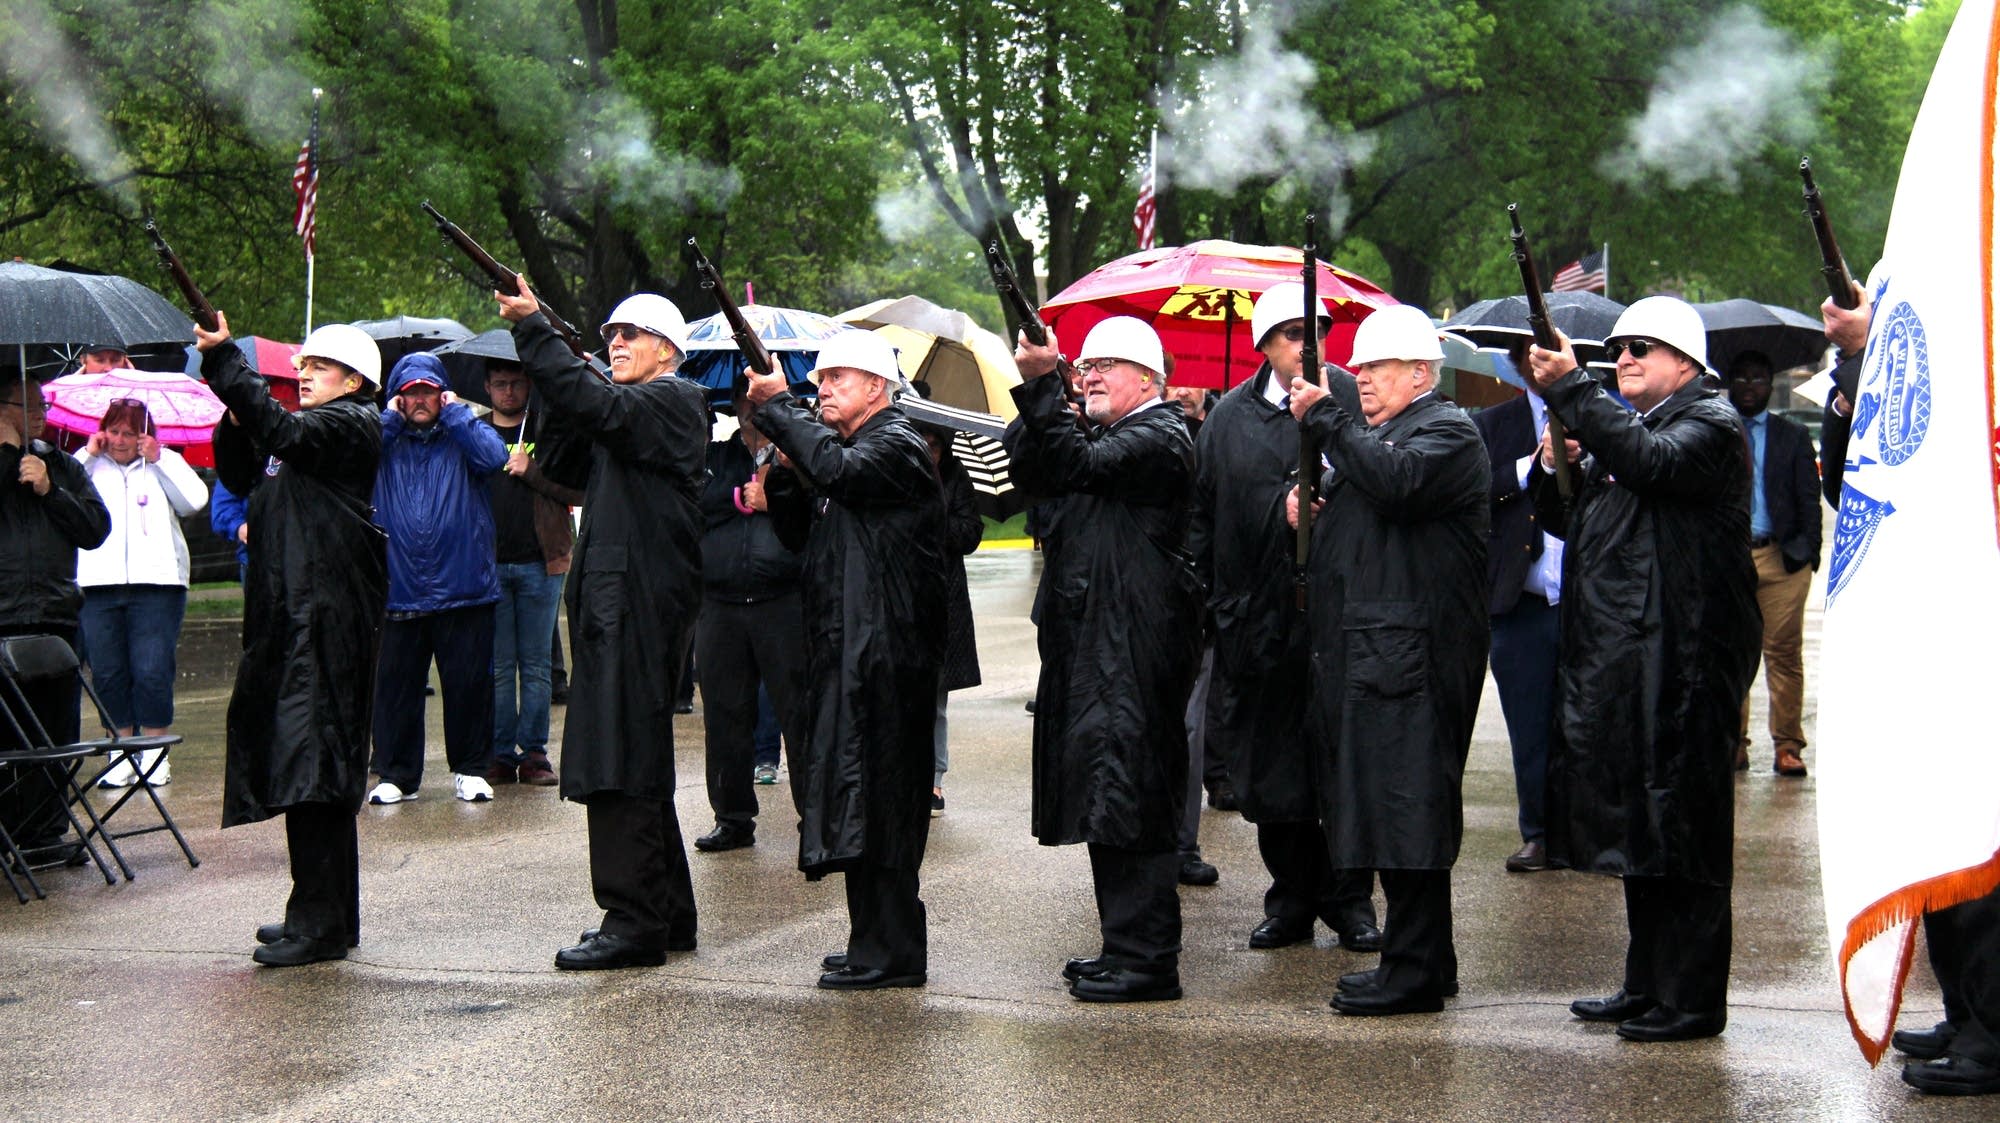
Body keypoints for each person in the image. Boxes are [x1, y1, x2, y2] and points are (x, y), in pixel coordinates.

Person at [1524, 295, 1761, 1041]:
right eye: (1617, 350)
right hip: (1632, 653)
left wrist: (1571, 390)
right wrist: (1555, 467)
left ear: (1686, 364)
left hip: (1687, 657)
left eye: (1640, 350)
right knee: (1643, 822)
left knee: (1684, 827)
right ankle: (1646, 981)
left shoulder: (1709, 426)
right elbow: (1578, 519)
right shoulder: (1637, 427)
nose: (1621, 359)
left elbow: (1650, 465)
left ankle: (1689, 999)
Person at [1820, 281, 2000, 1096]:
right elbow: (1867, 472)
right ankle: (1967, 1010)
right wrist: (1860, 360)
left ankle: (1992, 1032)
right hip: (1937, 644)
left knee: (1978, 852)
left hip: (1978, 650)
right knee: (1938, 846)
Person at [495, 284, 708, 971]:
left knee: (619, 759)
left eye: (631, 335)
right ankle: (665, 910)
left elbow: (599, 407)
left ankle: (631, 919)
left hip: (638, 606)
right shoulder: (632, 412)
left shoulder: (671, 398)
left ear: (668, 350)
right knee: (631, 759)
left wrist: (536, 332)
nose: (616, 344)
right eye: (610, 335)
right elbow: (569, 453)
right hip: (621, 604)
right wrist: (567, 371)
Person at [1284, 304, 1488, 1016]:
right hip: (1378, 650)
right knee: (1396, 809)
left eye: (1377, 369)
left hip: (1417, 655)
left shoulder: (1446, 431)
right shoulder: (1383, 435)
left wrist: (1327, 421)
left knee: (1411, 813)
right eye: (1360, 368)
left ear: (1421, 374)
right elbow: (1367, 499)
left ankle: (1413, 972)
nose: (1360, 381)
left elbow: (1398, 484)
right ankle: (1427, 957)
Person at [1011, 316, 1202, 1004]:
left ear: (1148, 380)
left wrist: (1042, 390)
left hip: (1135, 641)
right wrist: (1043, 401)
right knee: (1103, 790)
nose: (1087, 374)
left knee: (1134, 793)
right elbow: (1035, 472)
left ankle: (1151, 958)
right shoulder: (1105, 433)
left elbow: (1079, 466)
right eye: (1082, 364)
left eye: (1105, 366)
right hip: (1097, 638)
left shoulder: (1160, 434)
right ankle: (1122, 944)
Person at [748, 330, 946, 990]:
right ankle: (871, 938)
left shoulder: (896, 445)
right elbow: (805, 532)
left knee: (886, 802)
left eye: (839, 376)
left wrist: (782, 408)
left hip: (888, 659)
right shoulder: (853, 450)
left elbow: (839, 472)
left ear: (878, 389)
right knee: (858, 800)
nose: (823, 386)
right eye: (820, 377)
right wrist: (782, 475)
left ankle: (893, 950)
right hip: (853, 654)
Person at [1188, 281, 1381, 953]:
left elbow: (1379, 477)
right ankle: (1292, 896)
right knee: (1272, 772)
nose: (1309, 341)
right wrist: (1280, 511)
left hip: (1341, 614)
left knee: (1342, 765)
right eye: (1294, 331)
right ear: (1264, 344)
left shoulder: (1354, 398)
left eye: (1316, 329)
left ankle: (1351, 900)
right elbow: (1209, 514)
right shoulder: (1228, 420)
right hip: (1260, 619)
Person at [194, 317, 387, 968]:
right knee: (307, 769)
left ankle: (321, 922)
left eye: (320, 368)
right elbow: (244, 468)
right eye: (303, 366)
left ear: (356, 381)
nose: (304, 374)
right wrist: (235, 414)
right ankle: (322, 910)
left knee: (316, 772)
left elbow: (281, 432)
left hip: (326, 621)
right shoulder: (303, 433)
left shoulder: (351, 424)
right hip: (295, 618)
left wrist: (224, 361)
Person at [365, 353, 508, 805]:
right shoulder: (382, 440)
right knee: (396, 689)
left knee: (469, 686)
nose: (420, 400)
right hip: (398, 588)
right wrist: (386, 421)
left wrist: (457, 414)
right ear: (397, 399)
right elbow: (356, 459)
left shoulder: (465, 432)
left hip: (464, 587)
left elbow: (494, 458)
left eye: (429, 391)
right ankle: (397, 775)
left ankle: (470, 769)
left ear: (443, 395)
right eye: (410, 394)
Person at [690, 375, 807, 853]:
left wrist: (775, 492)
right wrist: (744, 498)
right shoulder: (716, 458)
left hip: (783, 602)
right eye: (744, 397)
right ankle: (733, 818)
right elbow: (694, 503)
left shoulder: (798, 458)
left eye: (760, 397)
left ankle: (815, 818)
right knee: (724, 715)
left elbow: (813, 516)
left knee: (800, 715)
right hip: (720, 604)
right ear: (735, 404)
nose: (752, 406)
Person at [0, 374, 110, 859]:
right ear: (3, 409)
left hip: (55, 616)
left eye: (42, 405)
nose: (41, 415)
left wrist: (50, 490)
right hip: (3, 619)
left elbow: (95, 529)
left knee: (55, 734)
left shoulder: (60, 466)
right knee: (7, 738)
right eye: (29, 406)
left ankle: (46, 833)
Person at [74, 398, 207, 788]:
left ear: (144, 435)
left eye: (128, 433)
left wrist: (161, 458)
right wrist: (87, 452)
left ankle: (154, 751)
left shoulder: (162, 462)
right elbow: (61, 493)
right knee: (108, 671)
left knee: (151, 668)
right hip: (98, 583)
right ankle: (121, 751)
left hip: (158, 584)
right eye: (113, 431)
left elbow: (195, 500)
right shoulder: (89, 466)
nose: (119, 440)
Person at [1470, 340, 1564, 873]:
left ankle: (1589, 833)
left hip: (1587, 601)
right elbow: (1476, 489)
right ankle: (1539, 832)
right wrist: (1535, 464)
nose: (1543, 362)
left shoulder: (1603, 411)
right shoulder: (1492, 425)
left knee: (1590, 723)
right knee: (1529, 726)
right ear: (1516, 362)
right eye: (1532, 353)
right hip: (1520, 600)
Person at [483, 359, 582, 789]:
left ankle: (534, 753)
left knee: (538, 663)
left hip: (542, 561)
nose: (508, 392)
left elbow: (577, 489)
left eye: (516, 384)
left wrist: (533, 472)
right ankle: (500, 753)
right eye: (500, 384)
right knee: (500, 665)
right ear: (487, 388)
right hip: (488, 563)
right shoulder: (475, 433)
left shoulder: (548, 432)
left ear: (529, 386)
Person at [1723, 350, 1820, 777]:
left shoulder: (1792, 435)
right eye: (1741, 378)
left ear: (1770, 383)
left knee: (1783, 653)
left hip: (1782, 559)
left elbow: (1808, 499)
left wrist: (1809, 551)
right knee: (1730, 654)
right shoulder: (1715, 431)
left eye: (1758, 378)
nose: (1749, 386)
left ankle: (1787, 744)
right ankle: (1732, 744)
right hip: (1729, 556)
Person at [917, 415, 983, 818]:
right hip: (901, 595)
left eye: (935, 446)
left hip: (943, 598)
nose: (928, 452)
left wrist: (933, 520)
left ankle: (934, 779)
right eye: (921, 443)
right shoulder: (896, 472)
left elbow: (970, 533)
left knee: (936, 698)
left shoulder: (956, 479)